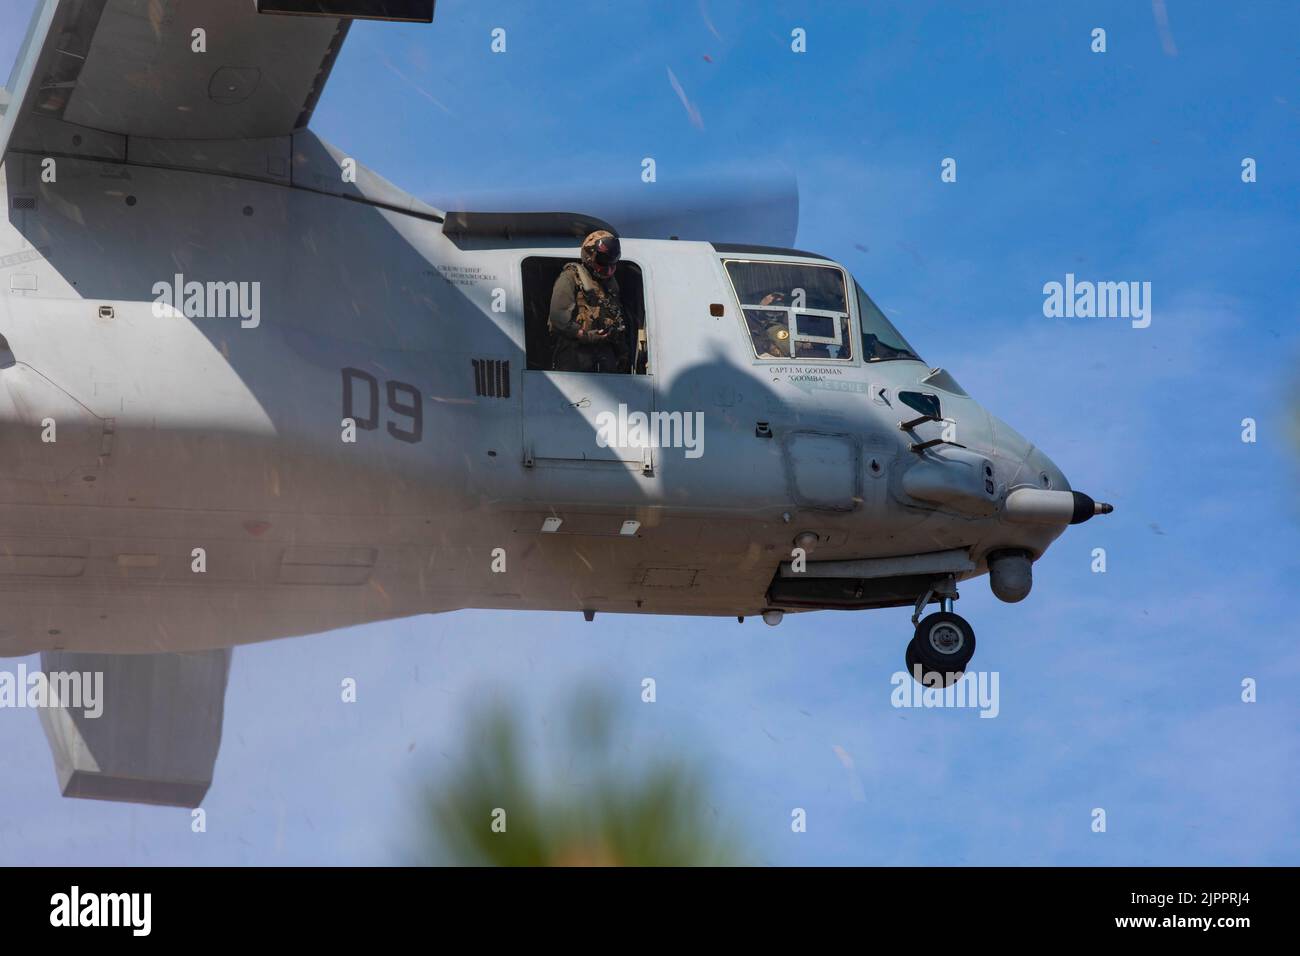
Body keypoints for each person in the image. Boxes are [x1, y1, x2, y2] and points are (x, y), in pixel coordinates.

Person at [547, 230, 629, 373]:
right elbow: (558, 318)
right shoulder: (570, 278)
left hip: (604, 353)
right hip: (575, 355)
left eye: (613, 263)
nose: (609, 270)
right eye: (603, 262)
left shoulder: (610, 284)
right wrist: (587, 336)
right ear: (589, 257)